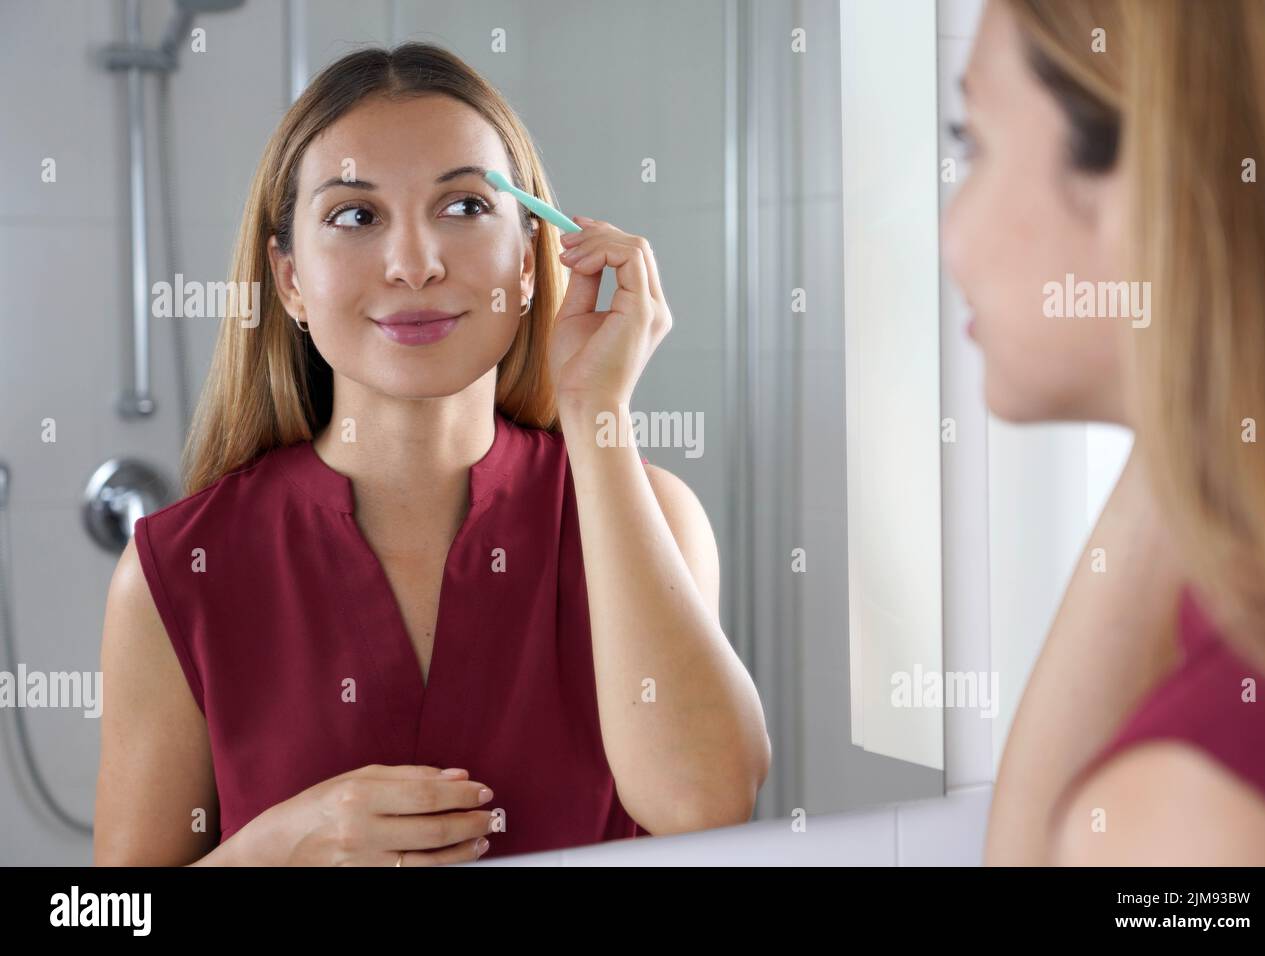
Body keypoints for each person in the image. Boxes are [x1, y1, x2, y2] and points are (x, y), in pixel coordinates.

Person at [94, 43, 769, 866]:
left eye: (463, 207)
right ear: (290, 278)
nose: (415, 264)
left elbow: (709, 807)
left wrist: (599, 412)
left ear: (528, 261)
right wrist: (275, 848)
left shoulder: (649, 515)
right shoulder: (179, 566)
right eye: (355, 215)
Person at [942, 0, 1265, 863]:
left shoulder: (1192, 815)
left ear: (1147, 180)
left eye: (972, 143)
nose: (950, 235)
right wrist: (1193, 390)